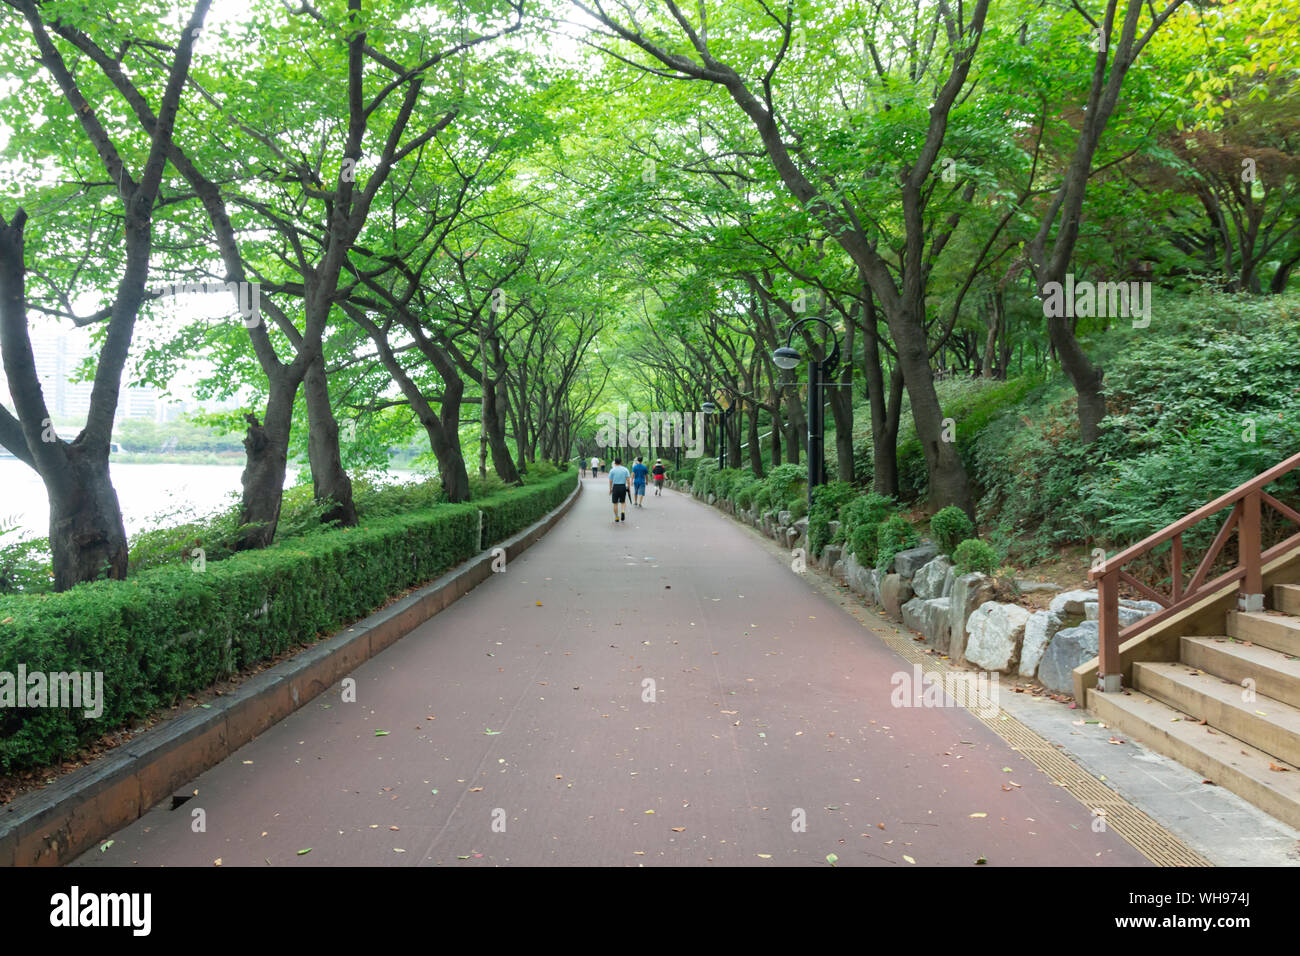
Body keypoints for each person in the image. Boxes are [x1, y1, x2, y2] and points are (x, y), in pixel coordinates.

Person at [608, 458, 631, 522]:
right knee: (623, 502)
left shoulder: (612, 470)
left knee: (615, 503)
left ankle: (616, 517)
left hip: (615, 487)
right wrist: (629, 488)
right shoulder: (625, 469)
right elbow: (628, 480)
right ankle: (623, 511)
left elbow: (610, 481)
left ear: (615, 463)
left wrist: (610, 489)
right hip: (622, 486)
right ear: (621, 462)